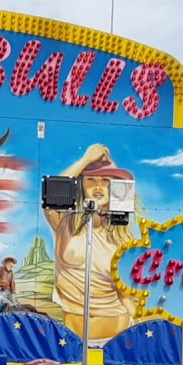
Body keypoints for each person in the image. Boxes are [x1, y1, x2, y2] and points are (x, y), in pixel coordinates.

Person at [46, 144, 142, 342]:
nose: (98, 186)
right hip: (72, 338)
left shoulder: (123, 238)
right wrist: (85, 160)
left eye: (106, 180)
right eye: (90, 179)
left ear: (115, 187)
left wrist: (146, 329)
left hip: (117, 337)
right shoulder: (65, 223)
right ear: (81, 183)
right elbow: (53, 192)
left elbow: (125, 297)